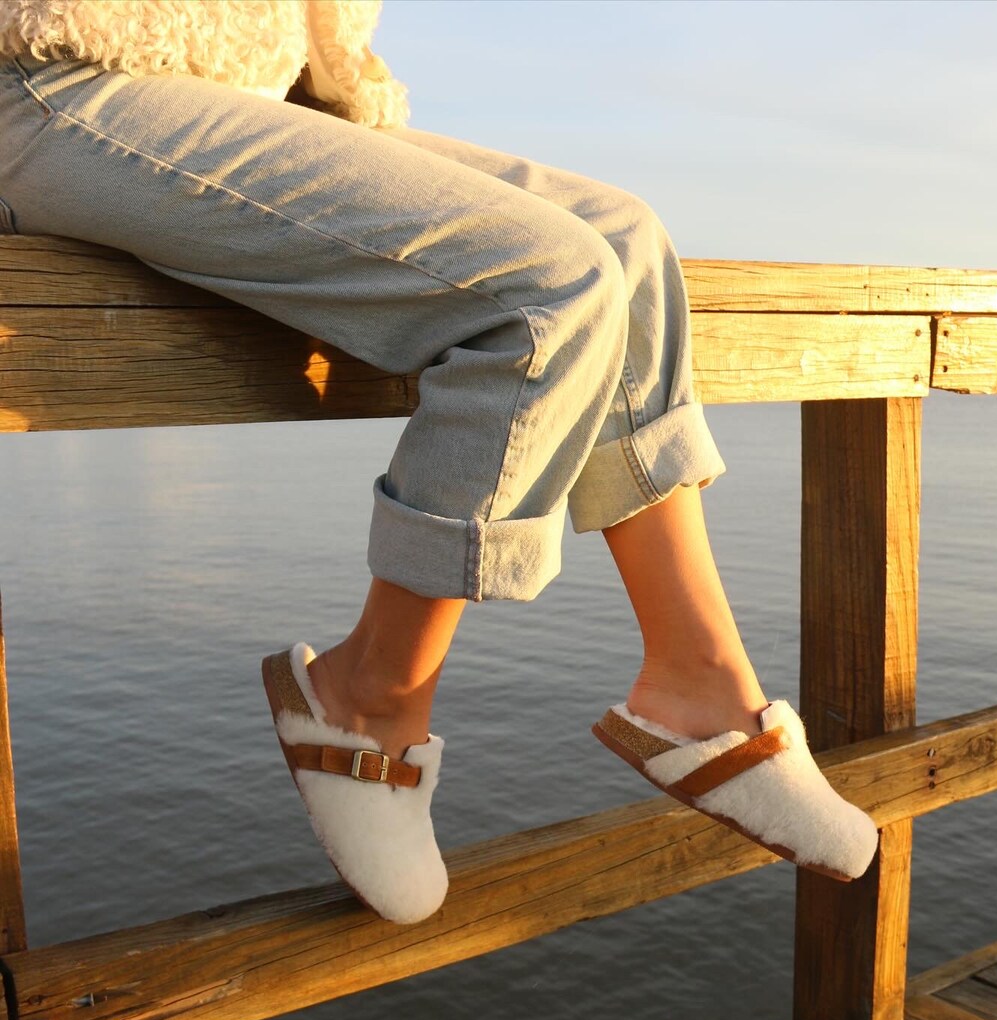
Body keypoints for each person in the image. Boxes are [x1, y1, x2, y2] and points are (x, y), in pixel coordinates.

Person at [0, 0, 878, 924]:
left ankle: (700, 681)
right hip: (46, 72)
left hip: (220, 81)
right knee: (548, 287)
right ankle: (369, 694)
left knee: (625, 239)